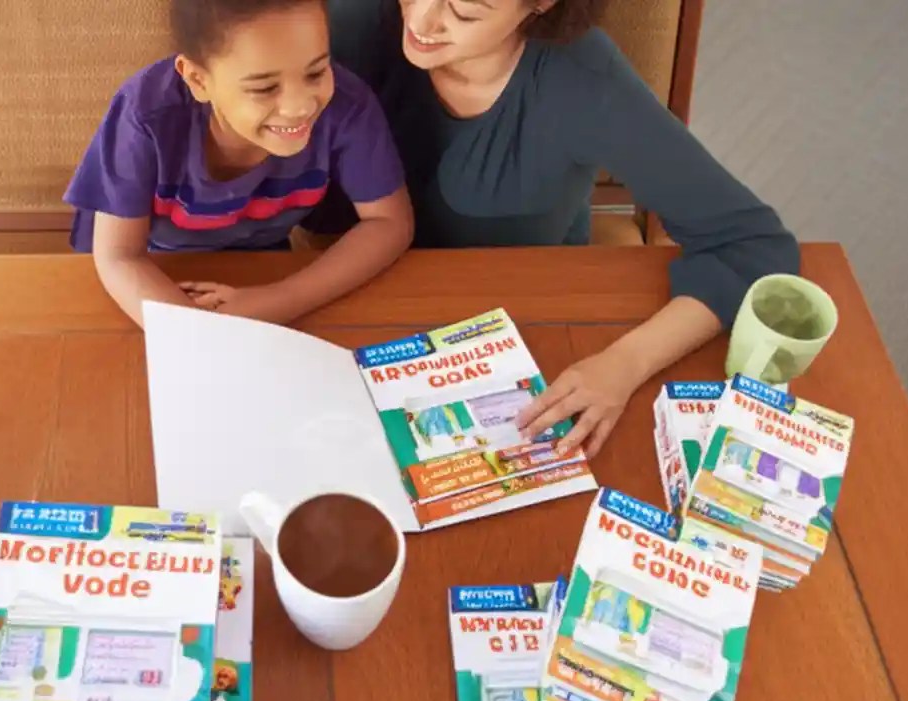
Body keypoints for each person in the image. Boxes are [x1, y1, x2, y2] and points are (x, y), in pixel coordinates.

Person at [315, 0, 801, 455]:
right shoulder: (344, 21)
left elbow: (752, 245)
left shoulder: (582, 80)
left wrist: (622, 365)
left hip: (519, 314)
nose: (420, 20)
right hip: (350, 291)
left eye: (464, 10)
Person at [64, 0, 414, 326]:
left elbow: (389, 222)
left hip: (265, 263)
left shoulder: (348, 106)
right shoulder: (145, 114)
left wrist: (275, 301)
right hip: (148, 271)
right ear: (198, 80)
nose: (300, 106)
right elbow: (119, 256)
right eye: (264, 88)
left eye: (316, 72)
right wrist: (192, 330)